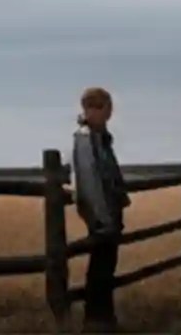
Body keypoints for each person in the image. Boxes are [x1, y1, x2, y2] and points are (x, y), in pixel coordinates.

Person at [72, 87, 132, 333]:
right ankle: (96, 320)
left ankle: (104, 318)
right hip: (102, 215)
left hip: (109, 211)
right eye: (105, 107)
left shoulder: (101, 137)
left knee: (106, 266)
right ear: (91, 109)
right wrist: (102, 219)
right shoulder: (86, 138)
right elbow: (90, 182)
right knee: (100, 267)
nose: (109, 113)